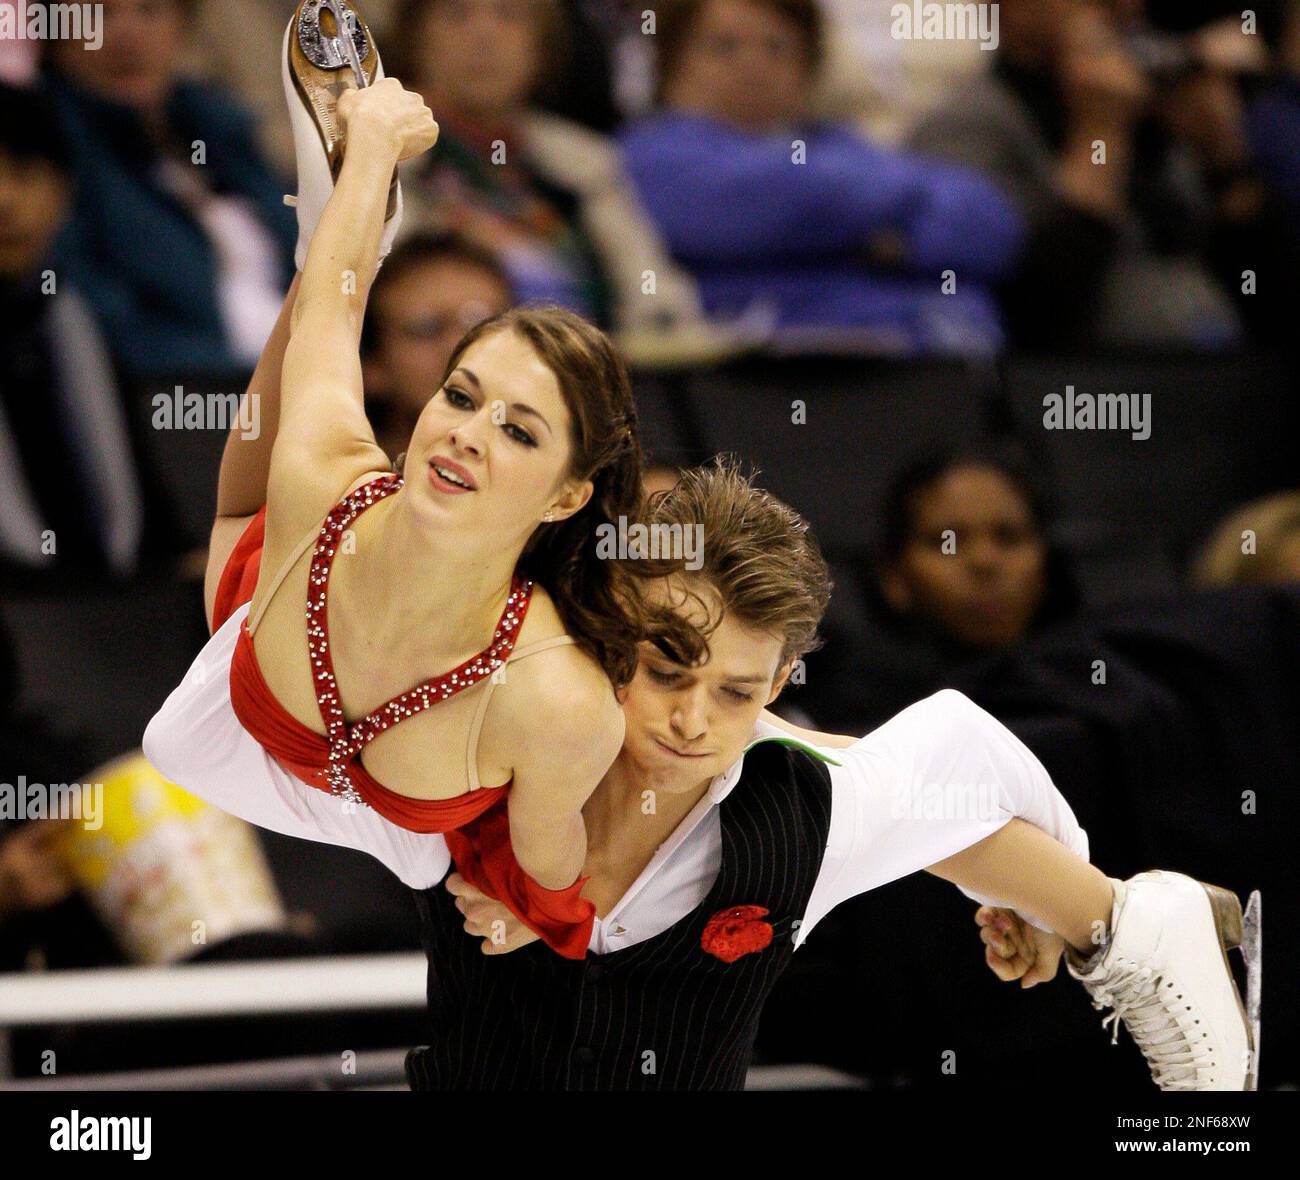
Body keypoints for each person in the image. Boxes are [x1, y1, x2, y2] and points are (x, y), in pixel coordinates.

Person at [144, 5, 701, 961]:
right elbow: (335, 311)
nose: (466, 436)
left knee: (743, 767)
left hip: (417, 820)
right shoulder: (327, 476)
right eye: (460, 395)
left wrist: (537, 914)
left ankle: (344, 227)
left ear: (570, 494)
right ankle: (342, 221)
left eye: (519, 431)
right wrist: (371, 153)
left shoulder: (561, 695)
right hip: (233, 701)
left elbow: (561, 884)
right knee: (305, 353)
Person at [617, 0, 1025, 354]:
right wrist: (885, 225)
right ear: (670, 63)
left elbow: (992, 224)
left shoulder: (836, 144)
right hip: (770, 386)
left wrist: (879, 237)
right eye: (724, 46)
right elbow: (801, 198)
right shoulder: (650, 154)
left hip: (931, 370)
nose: (754, 65)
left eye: (777, 47)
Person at [386, 0, 707, 337]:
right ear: (414, 39)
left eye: (510, 15)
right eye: (457, 14)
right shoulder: (385, 152)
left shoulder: (583, 162)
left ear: (542, 48)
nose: (484, 36)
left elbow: (654, 291)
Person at [41, 0, 298, 380]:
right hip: (201, 407)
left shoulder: (221, 129)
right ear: (55, 36)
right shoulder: (52, 159)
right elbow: (117, 335)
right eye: (97, 15)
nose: (126, 36)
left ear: (182, 25)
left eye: (149, 10)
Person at [0, 81, 145, 580]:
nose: (5, 200)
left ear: (63, 193)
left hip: (106, 626)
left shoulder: (90, 328)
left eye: (23, 172)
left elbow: (152, 531)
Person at [359, 230, 516, 464]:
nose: (461, 344)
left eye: (481, 323)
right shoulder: (342, 484)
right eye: (427, 328)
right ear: (373, 366)